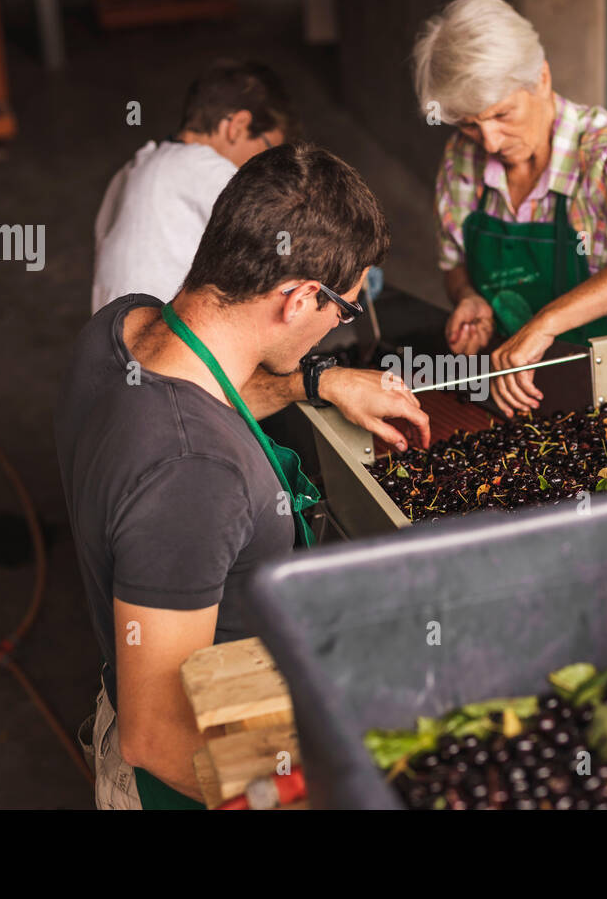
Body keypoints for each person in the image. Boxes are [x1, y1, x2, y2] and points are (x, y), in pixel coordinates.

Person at [57, 142, 428, 808]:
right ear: (298, 299)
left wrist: (319, 379)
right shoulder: (195, 476)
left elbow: (201, 394)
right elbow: (157, 736)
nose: (332, 329)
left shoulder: (123, 326)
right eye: (339, 311)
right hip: (193, 770)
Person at [413, 0, 607, 416]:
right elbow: (454, 262)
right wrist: (468, 296)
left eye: (502, 115)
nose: (488, 142)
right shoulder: (461, 157)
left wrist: (546, 323)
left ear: (542, 78)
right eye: (470, 125)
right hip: (511, 386)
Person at [91, 59, 297, 313]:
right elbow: (285, 257)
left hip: (106, 340)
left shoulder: (133, 169)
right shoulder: (207, 169)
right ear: (237, 126)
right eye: (267, 148)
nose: (266, 166)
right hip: (159, 342)